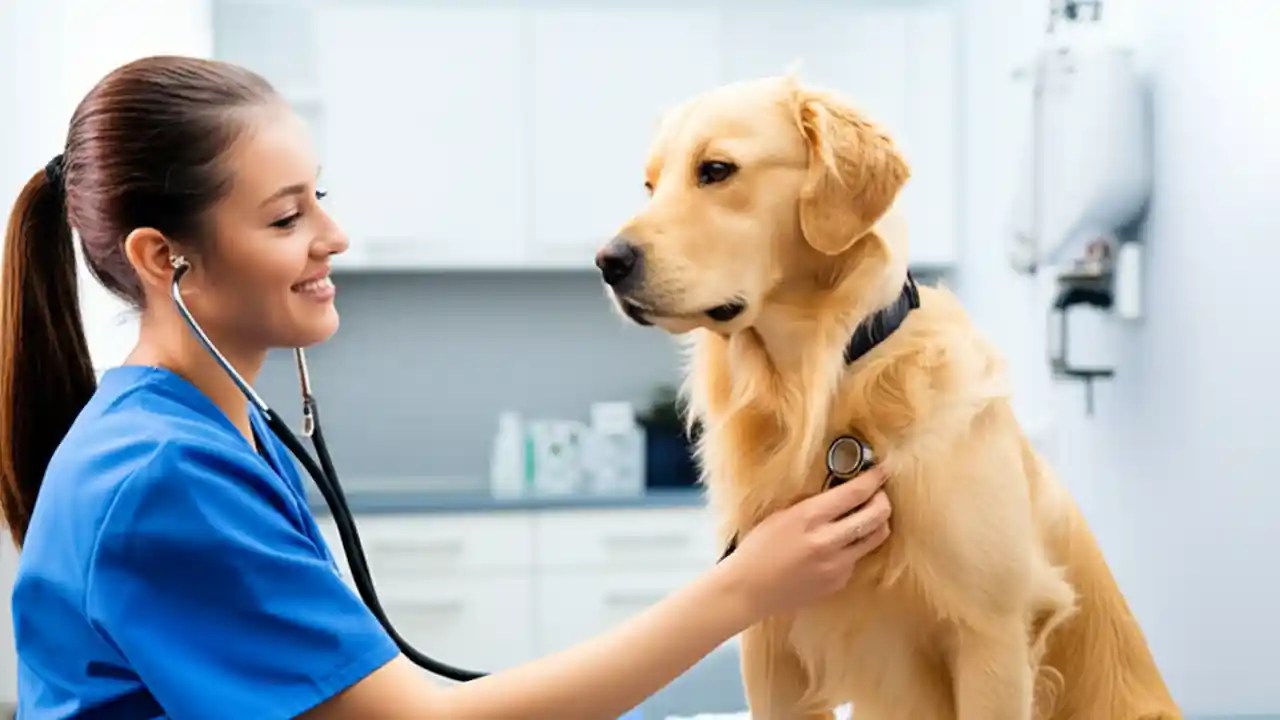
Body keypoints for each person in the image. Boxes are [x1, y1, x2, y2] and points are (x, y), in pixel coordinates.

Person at [0, 55, 893, 720]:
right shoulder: (161, 478)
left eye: (317, 195)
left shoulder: (215, 433)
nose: (334, 234)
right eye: (286, 216)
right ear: (165, 257)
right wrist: (746, 590)